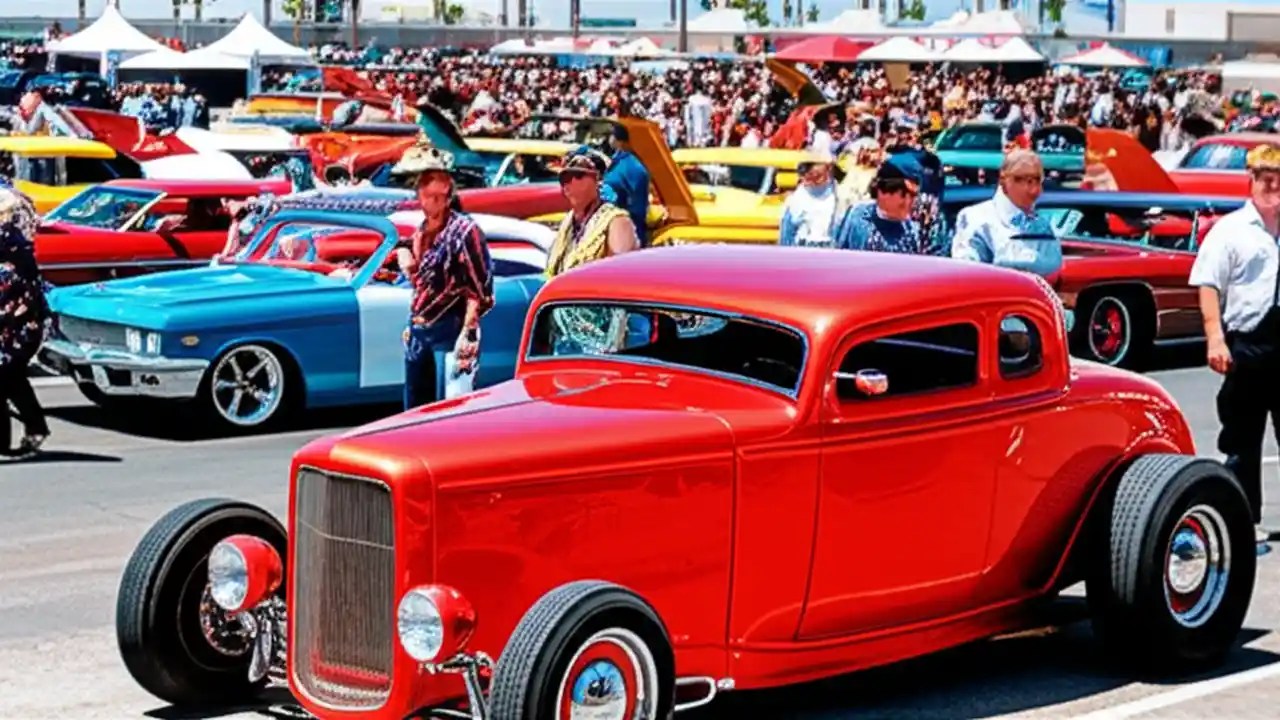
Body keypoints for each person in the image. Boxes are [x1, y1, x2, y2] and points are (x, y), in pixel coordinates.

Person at [1188, 143, 1280, 546]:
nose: (1273, 187)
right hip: (1247, 344)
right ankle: (1245, 521)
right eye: (1266, 180)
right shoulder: (1231, 230)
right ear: (1252, 181)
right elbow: (1208, 283)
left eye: (1279, 181)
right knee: (1243, 439)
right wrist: (1215, 337)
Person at [389, 143, 494, 410]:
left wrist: (468, 331)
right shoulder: (420, 231)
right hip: (419, 327)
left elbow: (479, 289)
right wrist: (404, 257)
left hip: (449, 326)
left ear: (448, 191)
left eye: (436, 190)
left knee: (446, 404)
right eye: (425, 189)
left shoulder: (464, 231)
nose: (429, 197)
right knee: (414, 406)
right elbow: (417, 280)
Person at [950, 149, 1063, 280]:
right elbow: (968, 275)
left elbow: (1056, 272)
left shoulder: (1042, 226)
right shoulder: (976, 219)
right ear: (1004, 182)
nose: (1035, 190)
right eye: (1026, 180)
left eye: (1038, 180)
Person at [0, 178, 49, 457]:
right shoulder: (17, 201)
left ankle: (11, 438)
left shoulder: (10, 204)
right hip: (15, 296)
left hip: (12, 300)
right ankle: (35, 426)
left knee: (6, 371)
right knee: (10, 374)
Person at [545, 146, 639, 278]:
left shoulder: (616, 221)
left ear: (597, 181)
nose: (568, 184)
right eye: (563, 179)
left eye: (577, 176)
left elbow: (622, 276)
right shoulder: (569, 223)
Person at [833, 156, 925, 254]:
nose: (910, 202)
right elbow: (840, 253)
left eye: (913, 196)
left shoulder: (917, 224)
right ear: (882, 192)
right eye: (903, 195)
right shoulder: (857, 216)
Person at [778, 151, 842, 248]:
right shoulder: (794, 201)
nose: (806, 171)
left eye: (810, 165)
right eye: (803, 167)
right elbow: (786, 241)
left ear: (829, 167)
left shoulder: (843, 196)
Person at [603, 124, 652, 247]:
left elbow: (638, 204)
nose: (609, 139)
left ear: (618, 139)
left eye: (612, 135)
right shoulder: (616, 160)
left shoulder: (633, 167)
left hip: (627, 228)